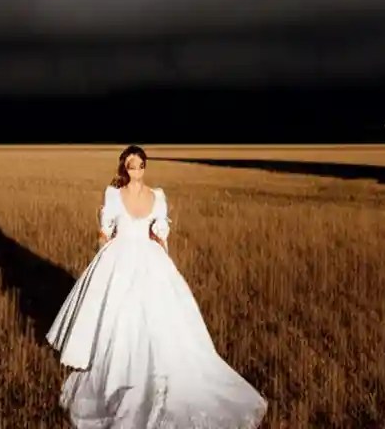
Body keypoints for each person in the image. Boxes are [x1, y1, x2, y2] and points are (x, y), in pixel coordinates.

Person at [45, 145, 268, 428]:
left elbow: (161, 237)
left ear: (145, 167)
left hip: (151, 262)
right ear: (124, 168)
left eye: (139, 165)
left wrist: (167, 270)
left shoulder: (158, 197)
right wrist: (100, 263)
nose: (135, 169)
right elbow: (104, 235)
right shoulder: (112, 195)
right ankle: (119, 370)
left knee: (158, 321)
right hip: (118, 260)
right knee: (120, 318)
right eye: (129, 165)